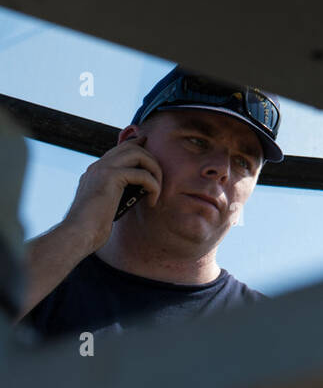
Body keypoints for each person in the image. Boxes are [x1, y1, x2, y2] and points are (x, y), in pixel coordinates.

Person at [16, 66, 284, 339]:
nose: (221, 169)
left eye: (243, 162)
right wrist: (78, 232)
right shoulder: (37, 288)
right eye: (197, 141)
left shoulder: (271, 332)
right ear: (131, 146)